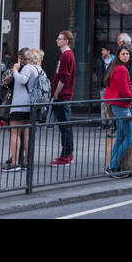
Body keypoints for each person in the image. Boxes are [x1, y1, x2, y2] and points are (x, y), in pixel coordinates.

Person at [4, 49, 39, 172]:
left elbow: (22, 80)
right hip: (30, 105)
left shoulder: (26, 68)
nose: (20, 61)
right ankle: (26, 162)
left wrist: (14, 70)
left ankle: (14, 163)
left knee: (15, 133)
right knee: (27, 133)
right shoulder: (37, 68)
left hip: (19, 105)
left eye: (21, 58)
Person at [103, 44, 132, 176]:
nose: (126, 56)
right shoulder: (121, 69)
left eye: (127, 54)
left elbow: (121, 88)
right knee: (129, 137)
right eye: (123, 54)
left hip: (117, 105)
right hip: (122, 106)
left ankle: (112, 166)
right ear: (118, 55)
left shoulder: (115, 67)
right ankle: (114, 166)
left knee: (121, 137)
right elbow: (124, 92)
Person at [50, 30, 76, 166]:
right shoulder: (67, 55)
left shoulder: (66, 56)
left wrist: (56, 93)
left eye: (60, 39)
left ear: (66, 41)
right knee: (65, 126)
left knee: (64, 126)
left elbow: (64, 77)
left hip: (62, 95)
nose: (57, 41)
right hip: (63, 95)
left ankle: (66, 155)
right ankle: (67, 154)